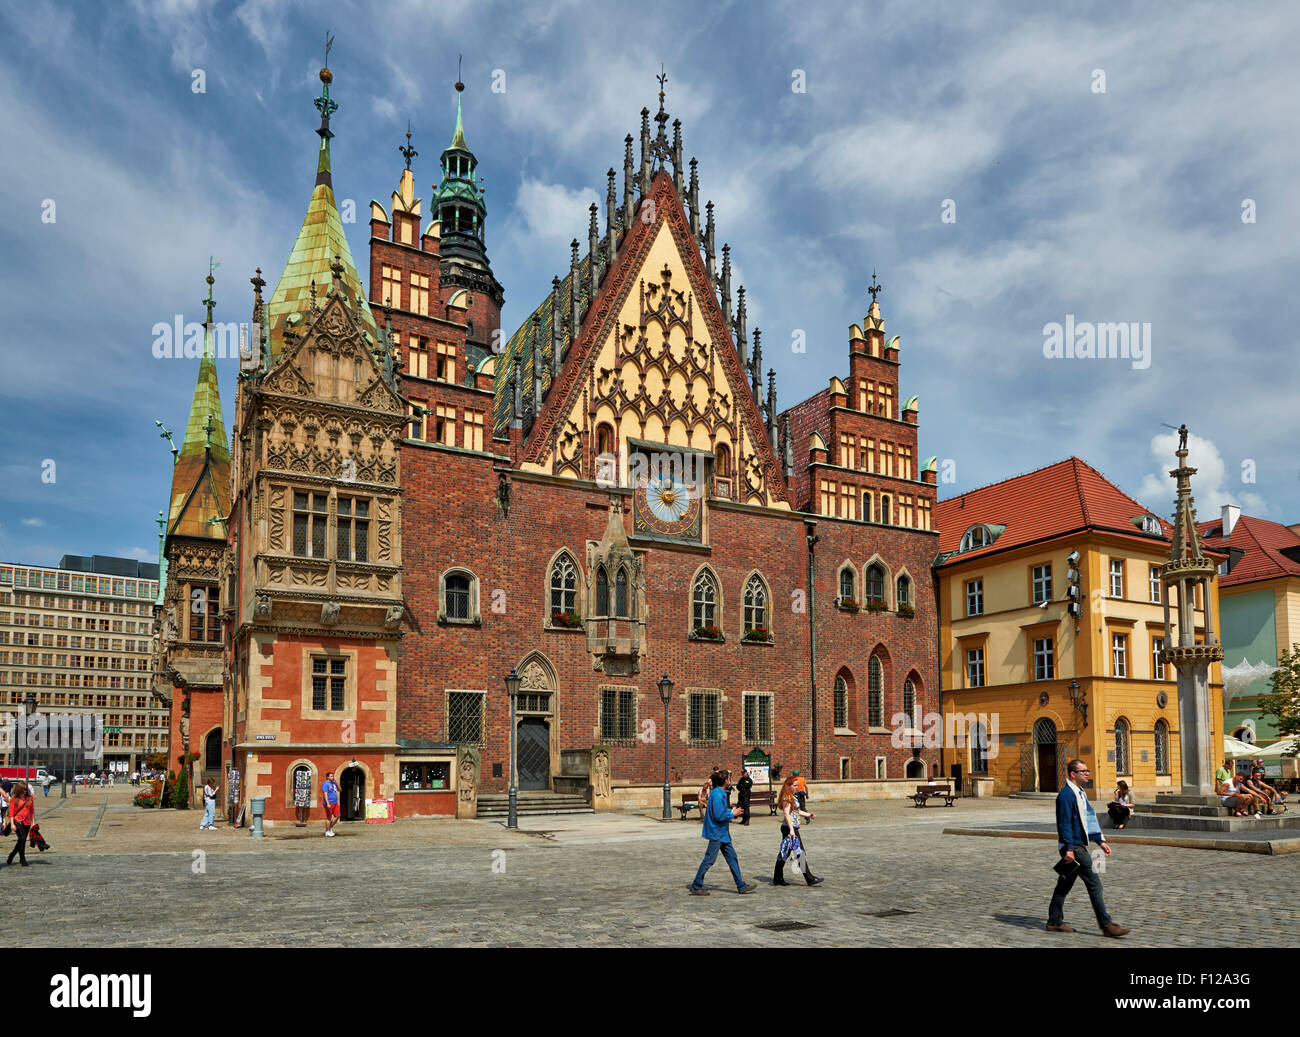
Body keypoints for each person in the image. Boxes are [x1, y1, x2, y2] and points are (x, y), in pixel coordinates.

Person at [1047, 760, 1129, 936]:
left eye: (1087, 770)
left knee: (1064, 885)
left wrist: (1100, 841)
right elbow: (1064, 824)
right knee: (1094, 884)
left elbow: (1088, 819)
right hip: (1074, 847)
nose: (1087, 773)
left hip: (1077, 844)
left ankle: (1053, 921)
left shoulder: (1080, 793)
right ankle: (1106, 925)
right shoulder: (1066, 795)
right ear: (1072, 774)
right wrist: (1068, 848)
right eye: (1082, 771)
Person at [689, 770, 755, 895]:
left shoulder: (718, 793)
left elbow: (720, 812)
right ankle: (697, 885)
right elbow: (719, 815)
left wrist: (731, 813)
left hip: (722, 833)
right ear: (725, 781)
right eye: (729, 778)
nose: (730, 781)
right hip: (717, 833)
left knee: (732, 858)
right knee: (709, 859)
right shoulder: (718, 794)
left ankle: (741, 885)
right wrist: (731, 813)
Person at [773, 774, 822, 887]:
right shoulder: (787, 798)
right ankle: (809, 879)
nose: (797, 787)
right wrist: (791, 830)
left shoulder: (792, 797)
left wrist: (809, 815)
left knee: (785, 853)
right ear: (788, 786)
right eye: (794, 785)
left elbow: (797, 812)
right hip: (789, 829)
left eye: (797, 785)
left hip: (792, 829)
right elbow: (786, 814)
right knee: (799, 853)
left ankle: (777, 878)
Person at [6, 782, 34, 867]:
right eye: (24, 789)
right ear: (19, 789)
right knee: (22, 838)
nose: (25, 791)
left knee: (23, 840)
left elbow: (32, 811)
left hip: (27, 821)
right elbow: (11, 813)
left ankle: (12, 854)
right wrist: (12, 824)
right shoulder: (14, 799)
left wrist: (33, 823)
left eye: (26, 789)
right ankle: (22, 859)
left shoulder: (29, 798)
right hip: (17, 820)